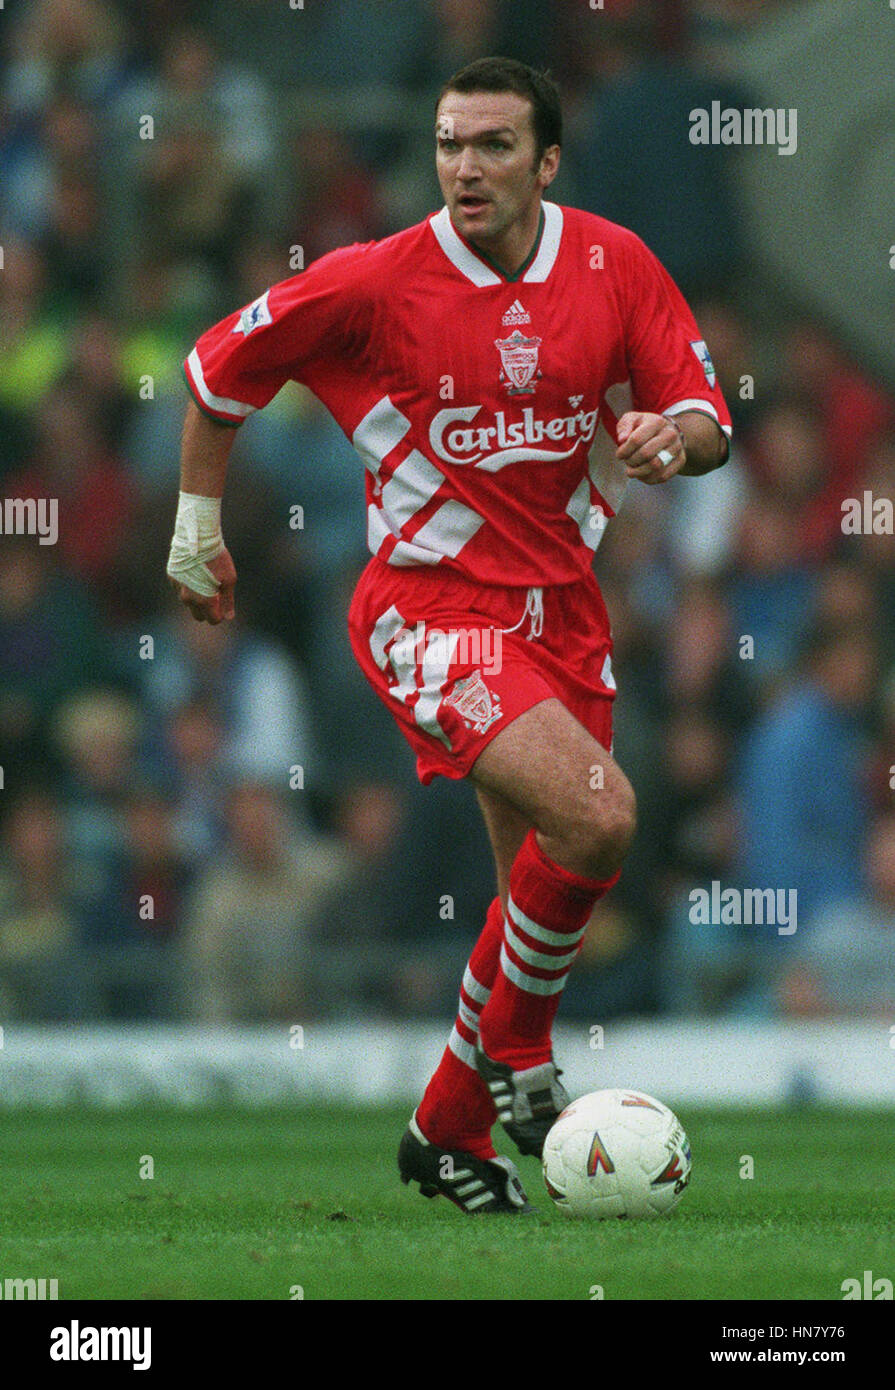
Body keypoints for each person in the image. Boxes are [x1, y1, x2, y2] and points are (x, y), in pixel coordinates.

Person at [166, 57, 731, 1215]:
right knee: (601, 813)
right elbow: (221, 368)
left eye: (491, 145)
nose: (464, 167)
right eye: (447, 144)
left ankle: (442, 1129)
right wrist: (193, 530)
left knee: (535, 883)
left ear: (546, 161)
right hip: (430, 609)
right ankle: (522, 1061)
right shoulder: (380, 279)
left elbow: (706, 413)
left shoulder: (613, 264)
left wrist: (671, 440)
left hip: (564, 615)